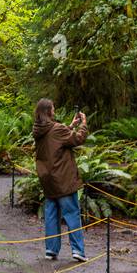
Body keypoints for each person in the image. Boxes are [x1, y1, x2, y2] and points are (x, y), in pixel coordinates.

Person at [33, 98, 88, 263]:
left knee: (51, 216)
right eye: (53, 109)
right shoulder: (57, 129)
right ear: (49, 111)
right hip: (63, 179)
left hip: (48, 180)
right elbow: (77, 139)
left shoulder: (39, 130)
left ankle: (51, 250)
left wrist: (70, 126)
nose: (54, 111)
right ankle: (78, 251)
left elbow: (58, 139)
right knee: (72, 214)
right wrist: (83, 124)